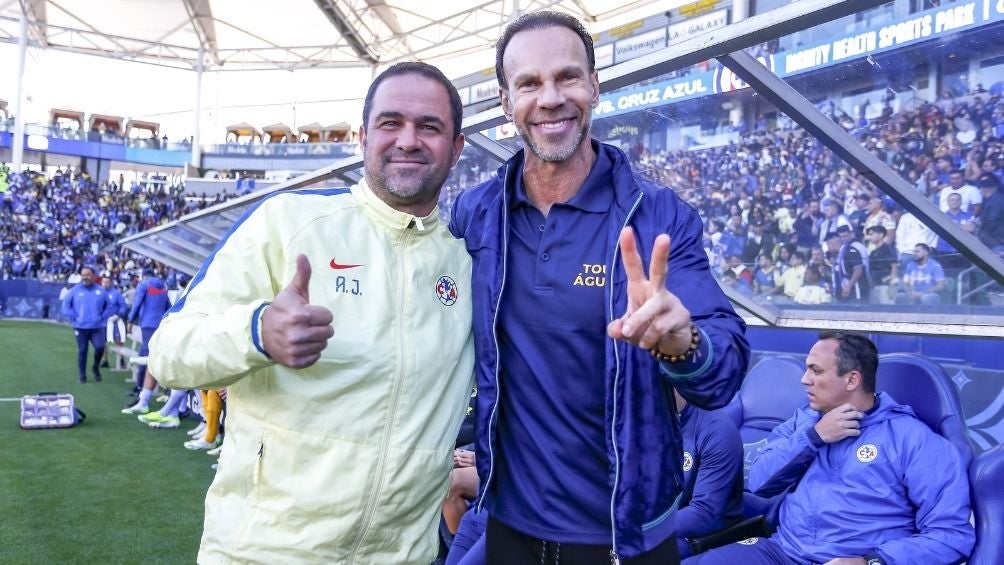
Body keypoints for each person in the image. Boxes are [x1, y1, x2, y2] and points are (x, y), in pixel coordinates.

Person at [449, 11, 749, 563]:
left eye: (567, 77)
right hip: (508, 524)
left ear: (594, 85)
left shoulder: (658, 215)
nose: (550, 98)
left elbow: (723, 373)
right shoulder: (476, 214)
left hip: (627, 536)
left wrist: (683, 345)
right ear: (504, 99)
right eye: (529, 84)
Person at [148, 62, 474, 563]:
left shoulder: (466, 263)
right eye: (391, 123)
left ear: (457, 147)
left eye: (429, 127)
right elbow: (169, 355)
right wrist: (258, 332)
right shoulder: (288, 223)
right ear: (363, 137)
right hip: (264, 553)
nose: (408, 140)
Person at [685, 331, 974, 564]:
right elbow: (759, 482)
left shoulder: (914, 439)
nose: (804, 379)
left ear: (852, 379)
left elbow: (951, 535)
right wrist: (813, 438)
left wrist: (872, 561)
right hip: (783, 552)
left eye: (815, 370)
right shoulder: (804, 422)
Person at [60, 266, 114, 383]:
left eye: (88, 275)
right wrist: (74, 316)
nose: (85, 277)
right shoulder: (74, 290)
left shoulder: (101, 291)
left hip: (97, 327)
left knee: (100, 347)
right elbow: (65, 306)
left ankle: (95, 367)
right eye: (83, 275)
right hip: (80, 327)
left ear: (93, 276)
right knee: (82, 350)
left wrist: (102, 316)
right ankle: (82, 375)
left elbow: (110, 306)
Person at [126, 268, 172, 395]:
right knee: (148, 353)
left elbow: (137, 303)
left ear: (144, 276)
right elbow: (169, 307)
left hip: (147, 324)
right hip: (160, 324)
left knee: (147, 356)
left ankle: (142, 389)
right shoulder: (163, 286)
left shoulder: (144, 285)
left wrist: (130, 320)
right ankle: (141, 385)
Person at [865, 226, 898, 305]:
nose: (870, 237)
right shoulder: (873, 253)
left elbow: (894, 266)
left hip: (886, 286)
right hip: (875, 286)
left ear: (881, 235)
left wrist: (892, 284)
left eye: (872, 234)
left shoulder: (888, 249)